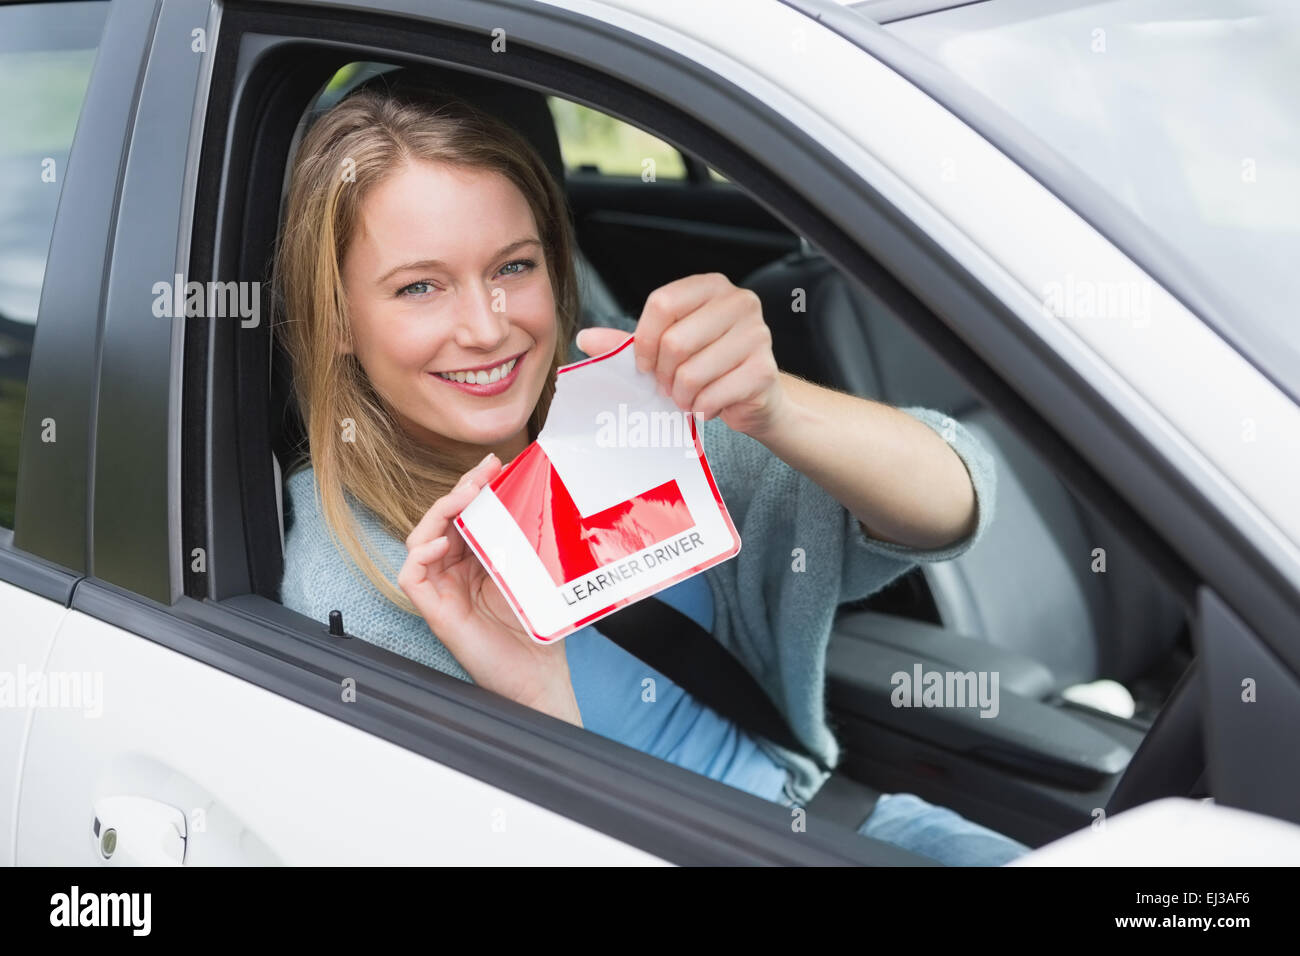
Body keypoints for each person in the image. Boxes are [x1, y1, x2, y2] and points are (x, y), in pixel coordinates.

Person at [274, 86, 1029, 866]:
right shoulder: (352, 586)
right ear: (334, 319)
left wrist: (772, 406)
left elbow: (956, 501)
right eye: (419, 287)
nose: (488, 325)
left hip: (822, 823)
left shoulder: (622, 416)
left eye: (514, 265)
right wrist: (540, 708)